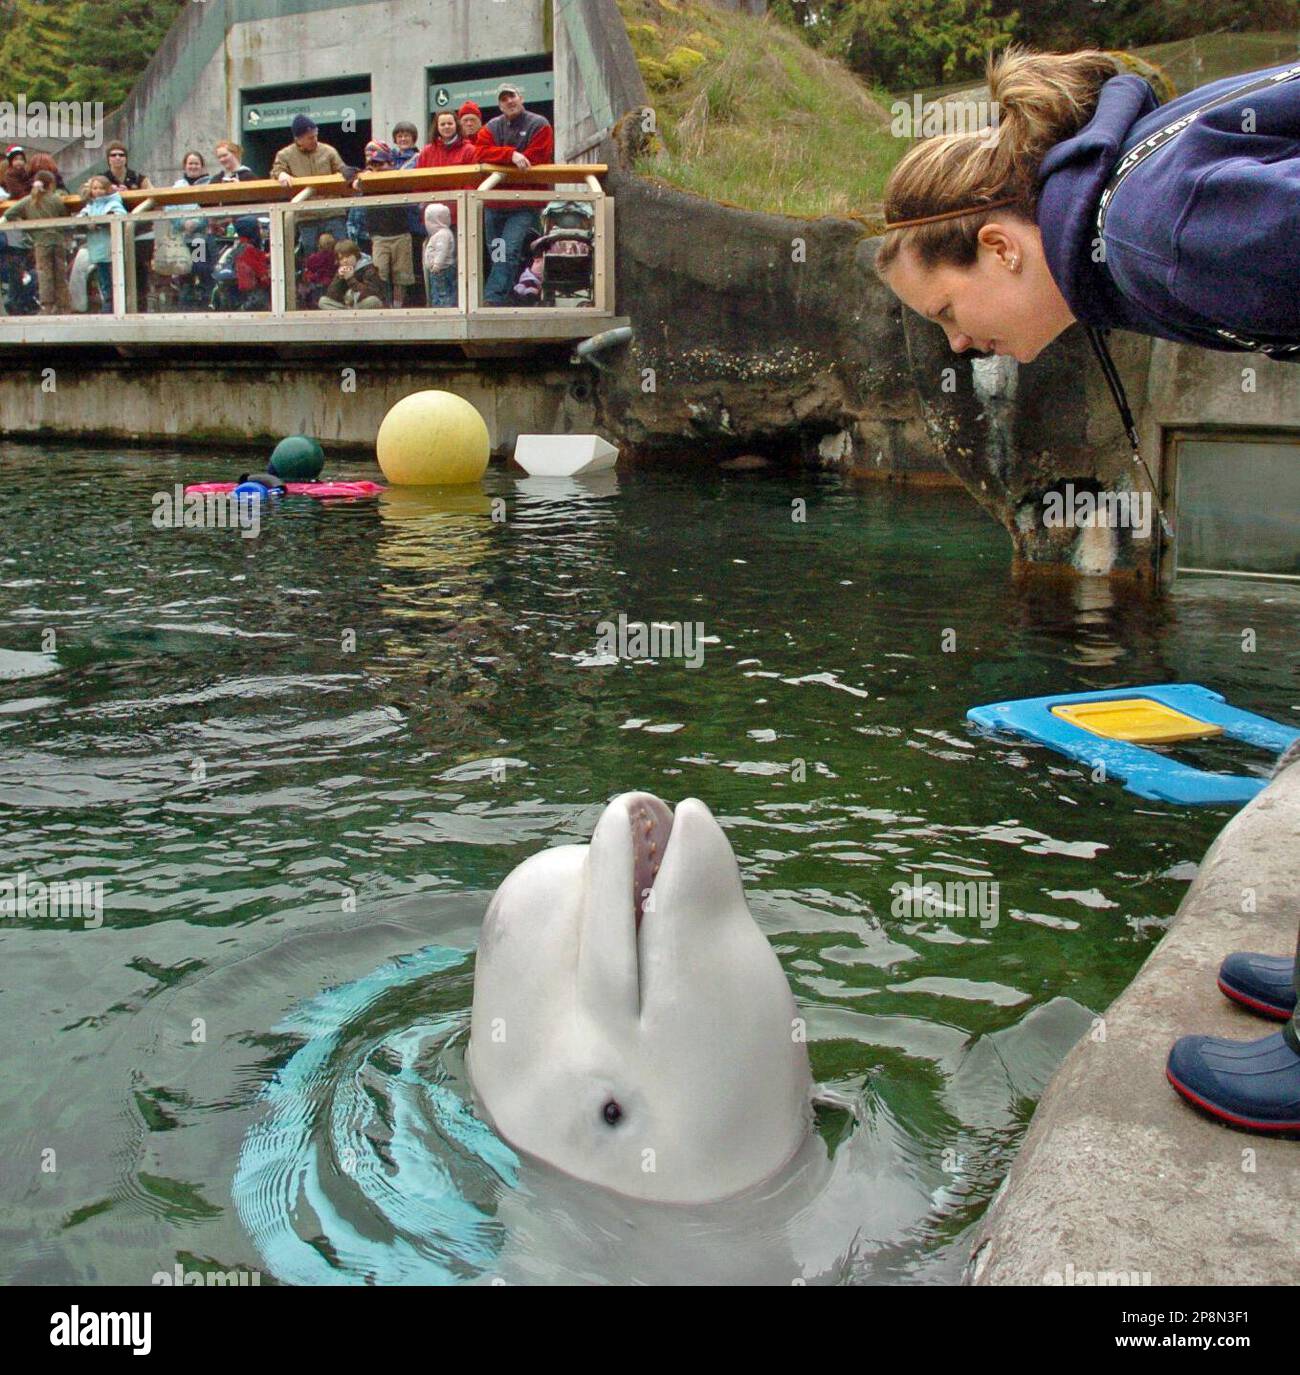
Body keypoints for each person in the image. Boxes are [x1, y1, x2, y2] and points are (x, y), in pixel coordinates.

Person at [875, 45, 1300, 1135]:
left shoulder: (1161, 228)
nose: (962, 344)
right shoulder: (1133, 203)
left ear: (1003, 244)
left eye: (948, 311)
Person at [473, 83, 554, 305]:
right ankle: (511, 296)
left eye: (513, 96)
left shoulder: (540, 124)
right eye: (504, 99)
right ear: (499, 105)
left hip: (523, 205)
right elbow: (479, 152)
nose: (509, 101)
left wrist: (501, 157)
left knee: (508, 252)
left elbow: (534, 157)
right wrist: (511, 155)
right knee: (498, 254)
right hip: (495, 206)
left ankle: (491, 299)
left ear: (522, 98)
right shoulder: (491, 126)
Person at [272, 115, 349, 256]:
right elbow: (276, 170)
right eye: (310, 137)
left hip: (333, 211)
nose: (315, 140)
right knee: (311, 255)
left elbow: (341, 169)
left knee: (343, 250)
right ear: (298, 139)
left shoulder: (328, 151)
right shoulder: (285, 155)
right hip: (306, 214)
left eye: (315, 136)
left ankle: (346, 277)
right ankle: (313, 278)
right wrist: (281, 174)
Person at [1, 170, 71, 314]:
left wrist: (26, 223)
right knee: (60, 274)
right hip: (57, 241)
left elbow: (9, 214)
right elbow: (65, 216)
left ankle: (47, 306)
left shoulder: (29, 200)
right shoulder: (55, 199)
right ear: (51, 184)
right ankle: (63, 306)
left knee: (44, 274)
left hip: (40, 242)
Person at [76, 174, 126, 313]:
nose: (97, 191)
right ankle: (108, 305)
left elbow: (118, 215)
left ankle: (114, 308)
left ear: (107, 189)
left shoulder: (113, 203)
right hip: (97, 250)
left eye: (101, 188)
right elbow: (79, 219)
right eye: (95, 188)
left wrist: (98, 223)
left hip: (112, 249)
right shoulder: (90, 206)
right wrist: (87, 223)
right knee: (103, 281)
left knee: (114, 280)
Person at [318, 238, 384, 310]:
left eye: (348, 256)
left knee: (373, 301)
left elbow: (371, 292)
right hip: (347, 307)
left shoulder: (369, 268)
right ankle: (347, 315)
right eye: (341, 258)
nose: (345, 261)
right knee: (323, 301)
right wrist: (339, 278)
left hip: (362, 304)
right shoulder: (342, 269)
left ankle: (351, 314)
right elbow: (331, 295)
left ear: (356, 255)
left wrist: (351, 279)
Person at [423, 202, 455, 307]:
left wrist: (437, 264)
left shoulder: (442, 234)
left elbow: (442, 251)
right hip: (438, 270)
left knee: (441, 293)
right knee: (436, 292)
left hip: (441, 270)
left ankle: (442, 309)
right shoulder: (438, 234)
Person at [301, 230, 338, 307]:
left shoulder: (314, 258)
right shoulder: (335, 257)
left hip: (317, 283)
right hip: (330, 283)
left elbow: (309, 266)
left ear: (319, 245)